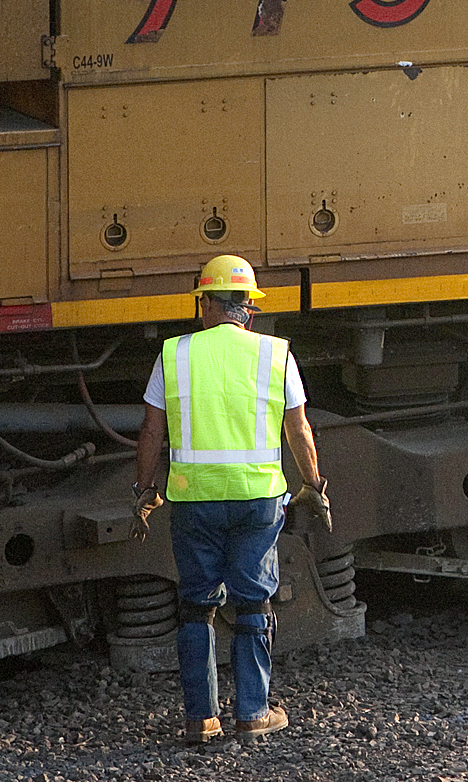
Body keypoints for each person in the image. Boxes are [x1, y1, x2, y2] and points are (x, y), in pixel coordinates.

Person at [131, 255, 332, 744]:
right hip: (257, 501)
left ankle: (201, 720)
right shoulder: (276, 354)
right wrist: (314, 485)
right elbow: (298, 428)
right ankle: (252, 714)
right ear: (250, 310)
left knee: (196, 606)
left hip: (193, 501)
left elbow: (151, 430)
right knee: (253, 604)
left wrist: (145, 491)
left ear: (204, 305)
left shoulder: (174, 354)